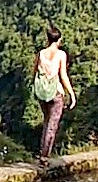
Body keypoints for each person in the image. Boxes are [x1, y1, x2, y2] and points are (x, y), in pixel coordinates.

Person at [32, 26, 77, 166]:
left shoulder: (41, 54)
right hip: (56, 93)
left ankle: (42, 152)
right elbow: (63, 75)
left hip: (42, 92)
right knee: (52, 125)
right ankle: (44, 156)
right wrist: (71, 93)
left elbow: (34, 72)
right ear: (59, 40)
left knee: (46, 122)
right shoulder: (61, 54)